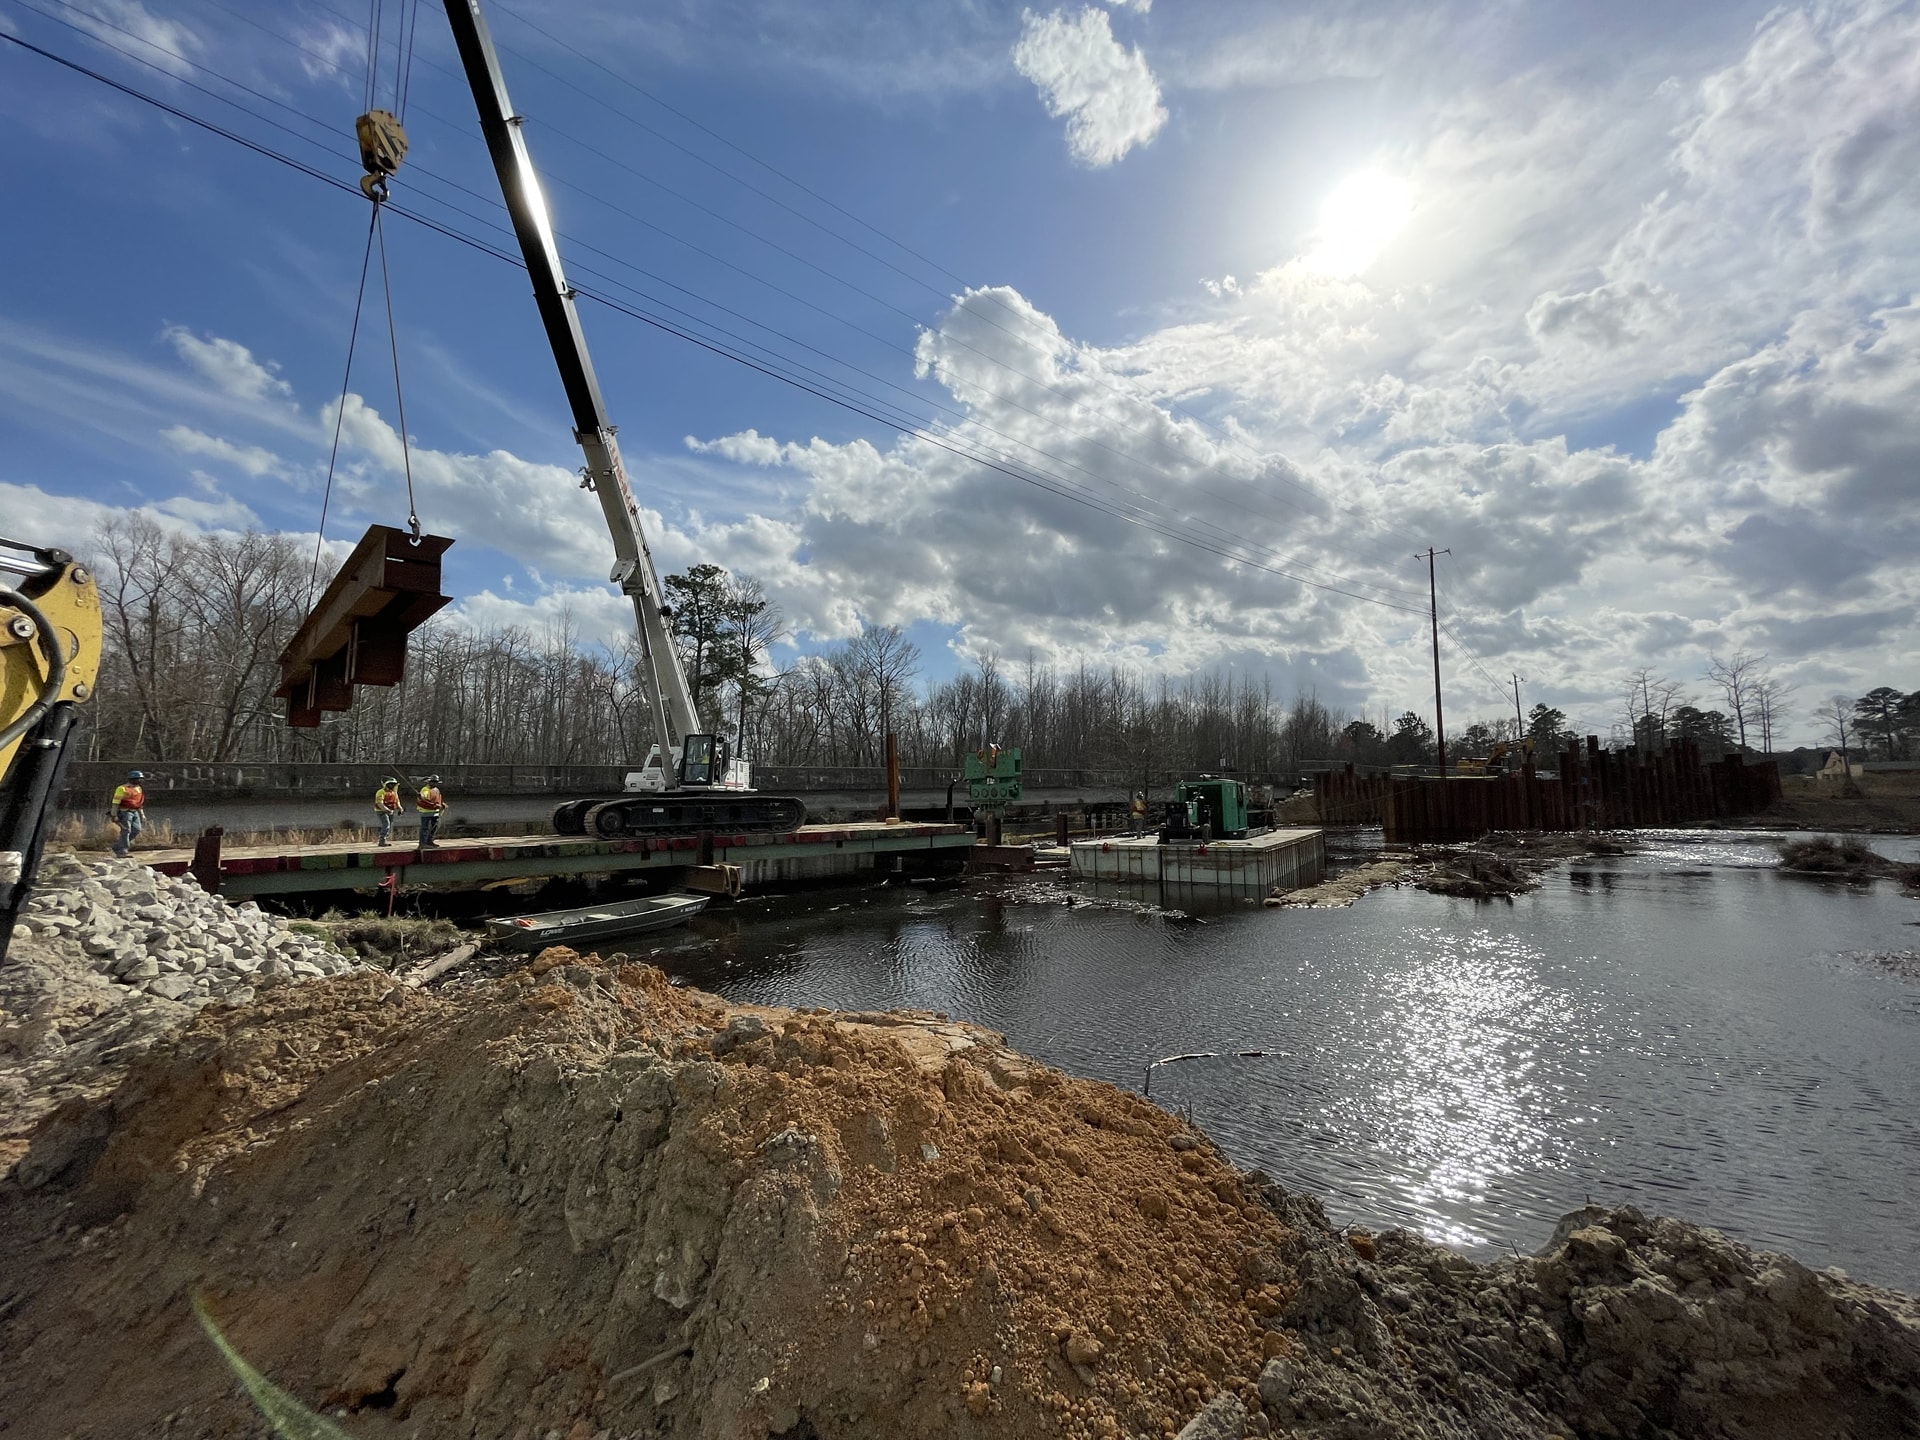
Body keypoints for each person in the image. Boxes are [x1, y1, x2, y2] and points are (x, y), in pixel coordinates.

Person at [110, 769, 146, 856]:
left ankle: (118, 846)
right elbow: (115, 802)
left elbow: (139, 803)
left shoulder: (139, 789)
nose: (140, 780)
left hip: (135, 812)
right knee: (126, 830)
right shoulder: (122, 789)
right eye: (138, 778)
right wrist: (114, 815)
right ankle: (122, 850)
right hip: (124, 812)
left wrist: (142, 814)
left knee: (137, 829)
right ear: (132, 779)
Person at [415, 774, 446, 848]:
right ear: (429, 782)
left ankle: (430, 841)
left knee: (434, 827)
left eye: (435, 782)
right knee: (425, 828)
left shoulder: (437, 790)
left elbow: (438, 799)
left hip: (435, 812)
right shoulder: (425, 789)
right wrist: (422, 796)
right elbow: (424, 797)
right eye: (433, 782)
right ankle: (423, 843)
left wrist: (442, 804)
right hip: (426, 812)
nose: (434, 783)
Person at [373, 777, 403, 846]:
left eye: (393, 784)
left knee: (389, 825)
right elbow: (379, 803)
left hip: (391, 811)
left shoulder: (394, 793)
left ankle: (385, 839)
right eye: (390, 784)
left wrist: (400, 808)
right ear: (386, 784)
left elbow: (397, 801)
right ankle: (382, 841)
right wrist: (386, 810)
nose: (392, 786)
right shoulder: (381, 792)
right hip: (381, 811)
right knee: (386, 825)